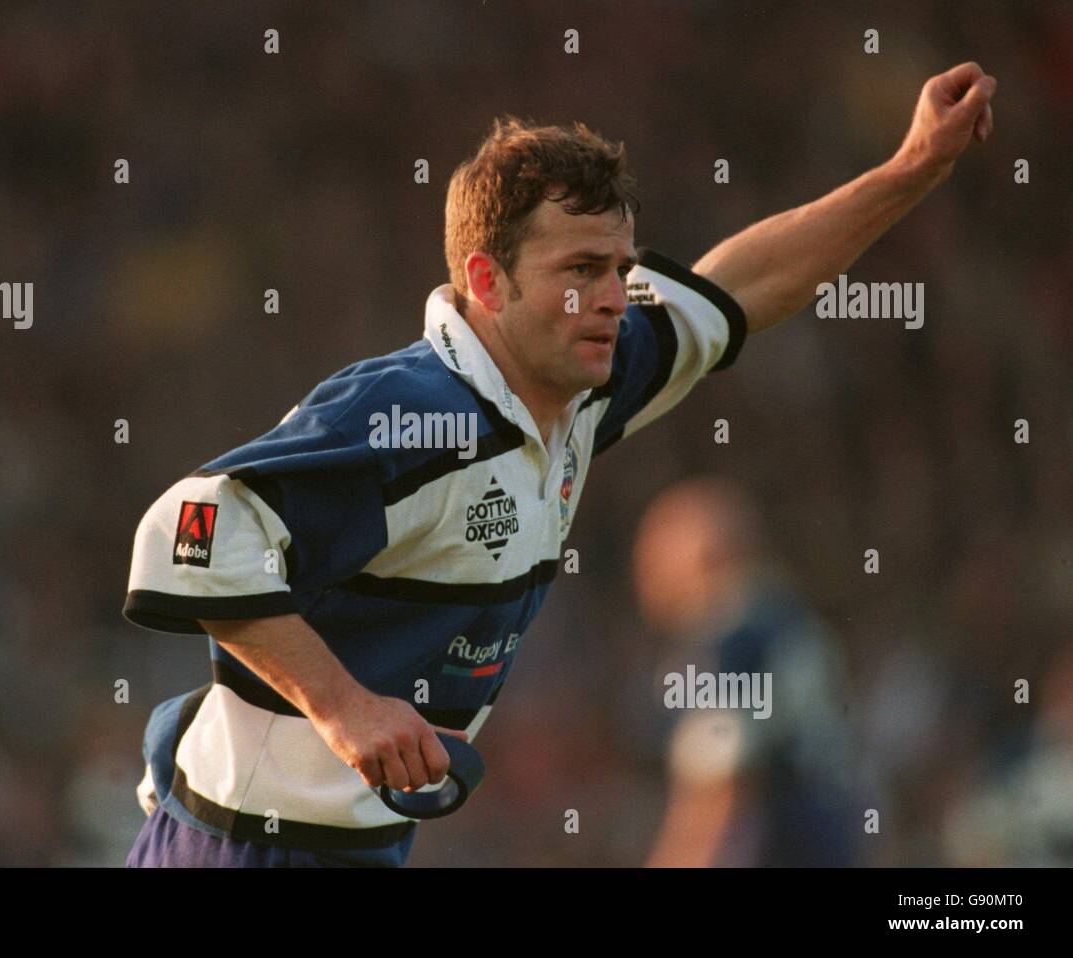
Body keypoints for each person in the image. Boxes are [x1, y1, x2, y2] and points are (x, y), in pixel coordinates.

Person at [122, 62, 997, 867]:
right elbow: (187, 532)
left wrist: (910, 168)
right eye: (581, 269)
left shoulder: (584, 383)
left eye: (619, 267)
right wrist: (345, 706)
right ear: (488, 280)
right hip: (240, 846)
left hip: (354, 847)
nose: (615, 297)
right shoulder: (417, 413)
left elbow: (742, 289)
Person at [632, 476, 858, 867]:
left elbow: (717, 795)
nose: (641, 567)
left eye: (656, 548)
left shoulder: (728, 640)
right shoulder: (783, 617)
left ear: (704, 554)